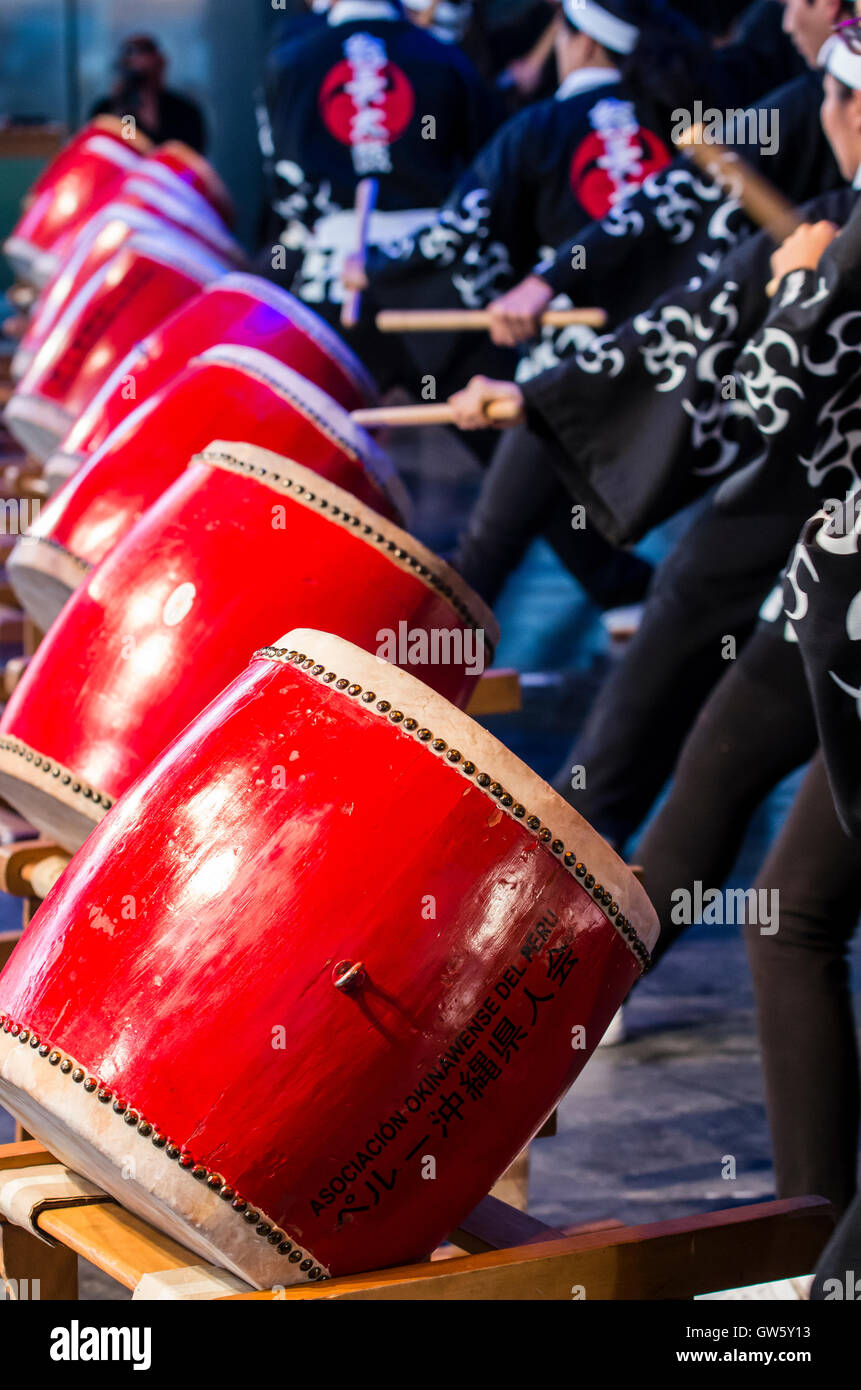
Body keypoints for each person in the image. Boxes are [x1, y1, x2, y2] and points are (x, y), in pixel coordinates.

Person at [262, 0, 497, 337]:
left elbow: (284, 186)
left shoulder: (291, 62)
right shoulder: (445, 58)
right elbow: (481, 178)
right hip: (433, 285)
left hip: (330, 280)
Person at [89, 34, 207, 153]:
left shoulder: (184, 112)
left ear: (160, 63)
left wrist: (150, 116)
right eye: (129, 54)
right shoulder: (106, 110)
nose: (135, 60)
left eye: (143, 51)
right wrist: (118, 108)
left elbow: (189, 157)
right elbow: (103, 149)